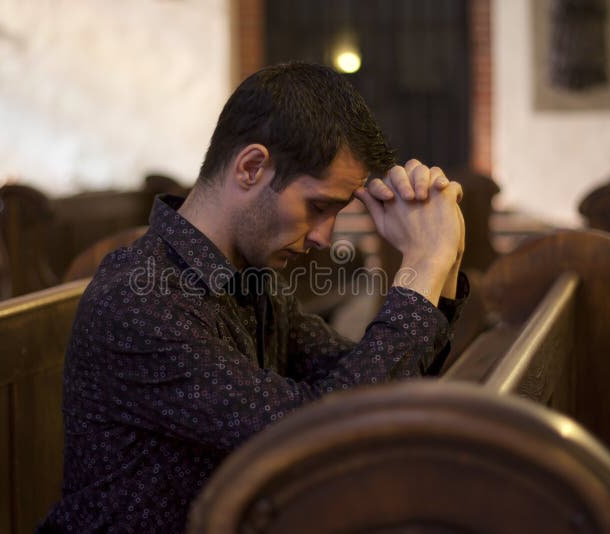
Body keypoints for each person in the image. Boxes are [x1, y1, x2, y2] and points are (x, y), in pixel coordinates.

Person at [39, 62, 468, 533]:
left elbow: (367, 392)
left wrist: (444, 263)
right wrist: (424, 265)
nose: (325, 236)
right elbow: (315, 439)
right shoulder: (140, 301)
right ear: (251, 167)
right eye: (318, 207)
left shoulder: (248, 279)